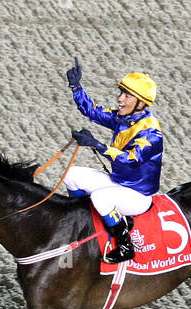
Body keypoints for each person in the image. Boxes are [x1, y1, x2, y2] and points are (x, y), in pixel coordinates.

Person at [64, 58, 164, 263]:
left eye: (126, 95)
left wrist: (97, 145)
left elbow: (130, 160)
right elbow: (92, 111)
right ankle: (81, 222)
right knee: (71, 175)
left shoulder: (151, 133)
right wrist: (76, 87)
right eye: (121, 93)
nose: (120, 99)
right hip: (119, 182)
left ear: (141, 103)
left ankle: (126, 246)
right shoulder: (124, 118)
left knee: (101, 198)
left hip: (138, 195)